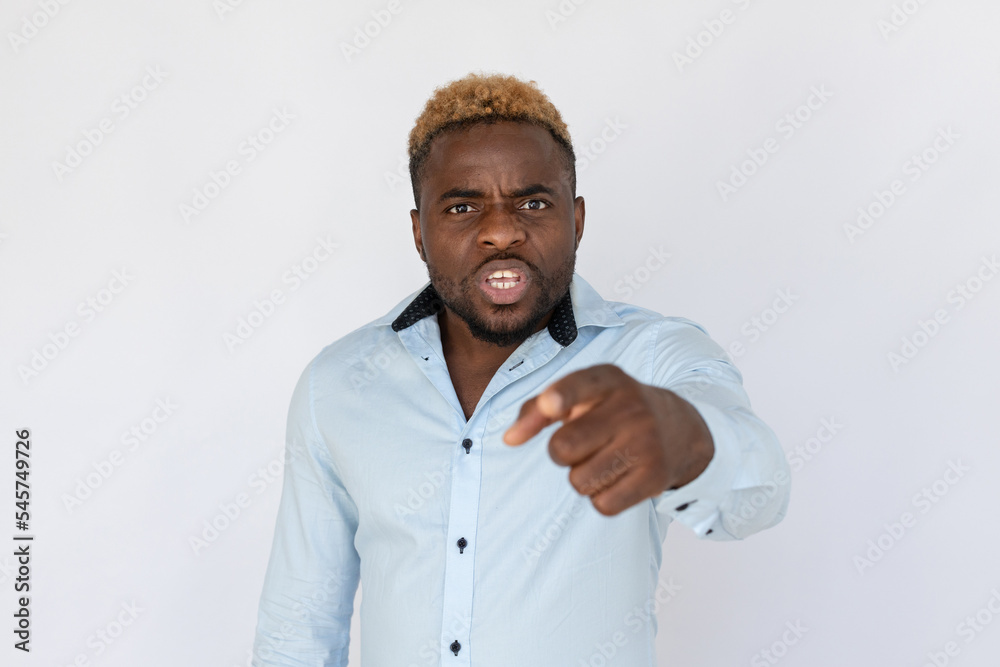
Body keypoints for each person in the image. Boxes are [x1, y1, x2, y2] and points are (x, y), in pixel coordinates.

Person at [251, 71, 790, 666]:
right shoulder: (338, 384)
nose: (502, 232)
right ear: (419, 233)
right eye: (462, 207)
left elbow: (759, 497)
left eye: (533, 203)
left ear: (576, 221)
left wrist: (686, 439)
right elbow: (298, 627)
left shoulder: (654, 356)